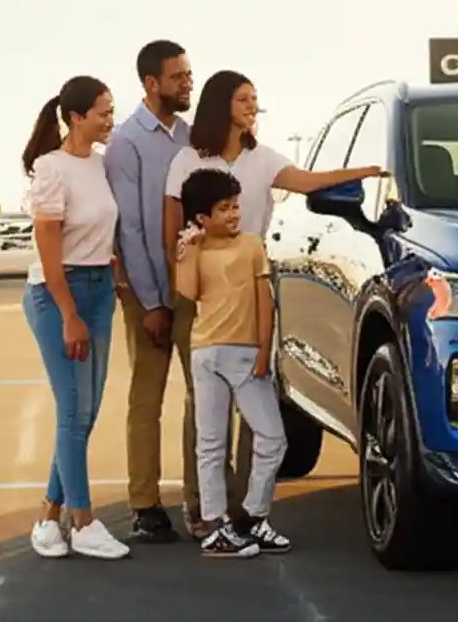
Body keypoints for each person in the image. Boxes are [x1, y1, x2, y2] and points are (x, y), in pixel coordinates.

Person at [161, 69, 385, 518]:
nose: (252, 106)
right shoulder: (186, 160)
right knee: (204, 405)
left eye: (254, 99)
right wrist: (185, 284)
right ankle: (202, 507)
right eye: (243, 98)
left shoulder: (262, 159)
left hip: (252, 289)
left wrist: (370, 171)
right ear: (221, 104)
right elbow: (172, 232)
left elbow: (310, 181)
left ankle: (246, 508)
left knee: (254, 397)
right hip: (204, 296)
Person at [22, 75, 128, 560]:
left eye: (111, 110)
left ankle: (49, 515)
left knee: (86, 412)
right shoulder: (51, 168)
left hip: (100, 290)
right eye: (103, 112)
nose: (110, 119)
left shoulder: (101, 166)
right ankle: (82, 522)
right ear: (75, 117)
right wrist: (69, 314)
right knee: (72, 410)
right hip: (57, 293)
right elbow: (49, 253)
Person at [104, 39, 204, 543]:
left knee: (204, 395)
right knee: (147, 398)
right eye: (178, 76)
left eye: (188, 74)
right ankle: (144, 505)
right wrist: (151, 302)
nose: (188, 82)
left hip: (193, 291)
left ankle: (202, 501)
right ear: (151, 83)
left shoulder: (191, 137)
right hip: (148, 294)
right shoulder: (125, 143)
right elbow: (130, 229)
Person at [176, 168, 289, 558]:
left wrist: (264, 352)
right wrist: (189, 251)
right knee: (210, 444)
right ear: (201, 217)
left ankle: (254, 516)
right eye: (223, 208)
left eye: (235, 206)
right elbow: (188, 292)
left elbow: (265, 302)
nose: (233, 214)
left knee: (272, 438)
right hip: (206, 353)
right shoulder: (192, 249)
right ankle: (215, 527)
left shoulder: (252, 246)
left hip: (246, 354)